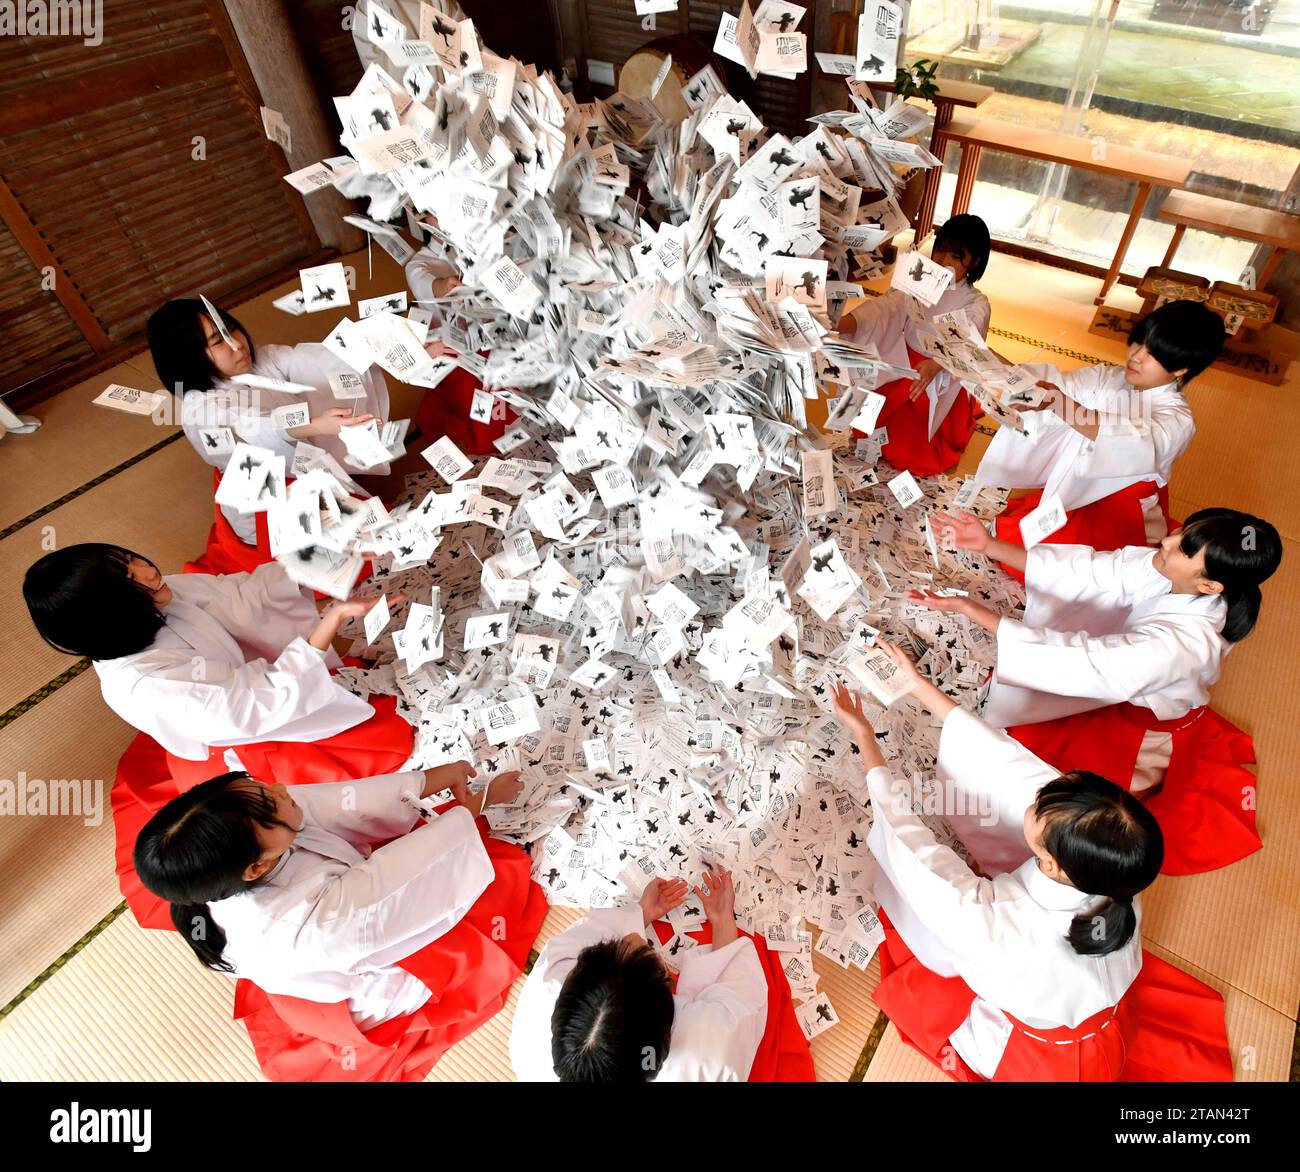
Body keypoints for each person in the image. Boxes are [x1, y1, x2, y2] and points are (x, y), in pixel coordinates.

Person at [830, 644, 1231, 1082]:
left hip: (1045, 1059)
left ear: (1055, 865)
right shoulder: (1114, 867)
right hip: (1101, 1015)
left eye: (1039, 807)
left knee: (920, 927)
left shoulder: (999, 924)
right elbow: (1009, 765)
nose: (1036, 796)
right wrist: (915, 684)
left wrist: (868, 745)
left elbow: (917, 855)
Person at [912, 507, 1282, 873]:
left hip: (1140, 725)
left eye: (1184, 548)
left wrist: (972, 610)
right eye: (1182, 532)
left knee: (1054, 806)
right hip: (1118, 687)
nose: (1168, 540)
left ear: (1210, 587)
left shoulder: (1181, 647)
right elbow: (1093, 572)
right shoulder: (1167, 569)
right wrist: (990, 545)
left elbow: (1086, 660)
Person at [133, 763, 547, 1081]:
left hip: (321, 936)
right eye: (269, 803)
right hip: (363, 971)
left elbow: (337, 803)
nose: (280, 790)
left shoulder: (241, 851)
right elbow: (404, 880)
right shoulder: (316, 927)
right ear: (256, 868)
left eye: (263, 789)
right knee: (499, 879)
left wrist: (434, 779)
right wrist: (478, 805)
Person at [23, 543, 413, 790]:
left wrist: (329, 556)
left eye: (129, 559)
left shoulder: (156, 594)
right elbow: (252, 706)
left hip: (248, 690)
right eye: (129, 579)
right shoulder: (143, 684)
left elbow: (243, 596)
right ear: (107, 613)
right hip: (244, 725)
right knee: (395, 735)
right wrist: (330, 622)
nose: (147, 571)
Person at [975, 299, 1226, 576]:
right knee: (1017, 545)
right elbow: (1053, 387)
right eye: (1139, 342)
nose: (1137, 356)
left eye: (1154, 353)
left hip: (1119, 512)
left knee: (1063, 574)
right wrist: (984, 355)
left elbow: (1126, 441)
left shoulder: (1177, 419)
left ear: (1181, 369)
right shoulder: (1113, 377)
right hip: (1077, 487)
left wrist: (1058, 403)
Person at [147, 298, 388, 571]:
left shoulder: (262, 358)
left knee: (376, 533)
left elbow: (319, 361)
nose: (237, 344)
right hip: (265, 496)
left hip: (301, 466)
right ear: (189, 356)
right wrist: (314, 425)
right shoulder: (200, 408)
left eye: (230, 329)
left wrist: (383, 347)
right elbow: (254, 427)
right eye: (218, 341)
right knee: (357, 557)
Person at [509, 867, 814, 1082]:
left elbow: (590, 932)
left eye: (619, 945)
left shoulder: (547, 987)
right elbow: (739, 997)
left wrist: (639, 912)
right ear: (666, 1030)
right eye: (644, 952)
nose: (633, 937)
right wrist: (722, 923)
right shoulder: (703, 1058)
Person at [839, 215, 992, 476]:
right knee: (866, 426)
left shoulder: (976, 302)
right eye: (940, 250)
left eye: (956, 257)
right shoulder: (923, 276)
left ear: (974, 262)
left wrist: (936, 365)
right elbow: (886, 308)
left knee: (912, 453)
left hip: (940, 375)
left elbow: (967, 339)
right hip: (903, 362)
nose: (943, 261)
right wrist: (841, 324)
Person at [406, 214, 515, 455]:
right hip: (456, 354)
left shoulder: (481, 247)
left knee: (512, 418)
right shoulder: (419, 264)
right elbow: (432, 286)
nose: (446, 218)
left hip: (495, 342)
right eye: (437, 213)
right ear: (423, 219)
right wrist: (446, 286)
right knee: (476, 429)